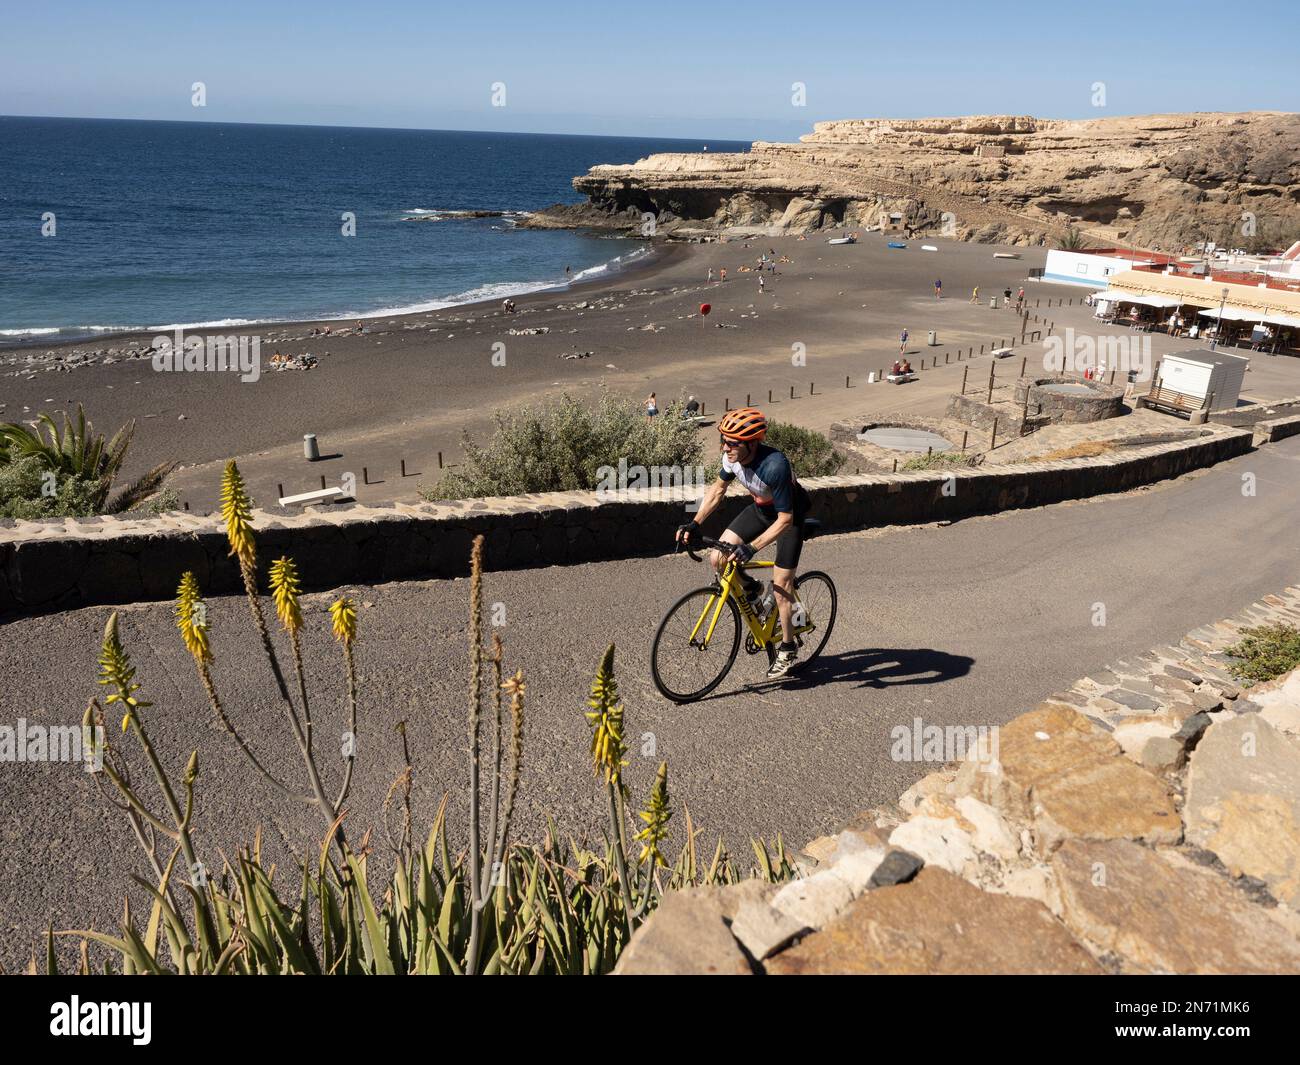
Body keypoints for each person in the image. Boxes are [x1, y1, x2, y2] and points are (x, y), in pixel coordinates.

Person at [676, 408, 812, 680]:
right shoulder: (733, 458)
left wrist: (752, 547)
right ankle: (752, 590)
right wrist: (695, 523)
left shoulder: (775, 466)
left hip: (789, 518)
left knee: (781, 586)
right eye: (723, 441)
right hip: (762, 510)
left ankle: (787, 648)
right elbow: (717, 491)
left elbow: (785, 520)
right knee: (718, 558)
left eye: (732, 442)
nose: (725, 447)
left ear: (751, 443)